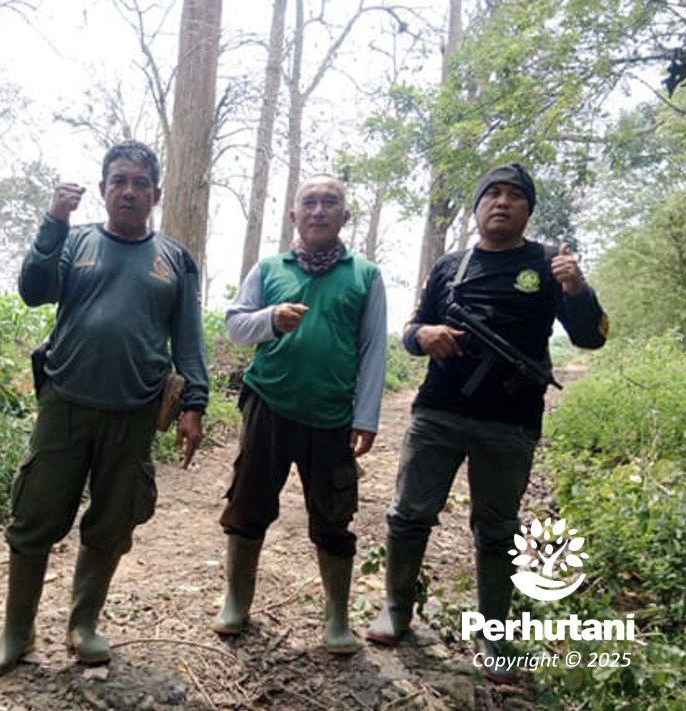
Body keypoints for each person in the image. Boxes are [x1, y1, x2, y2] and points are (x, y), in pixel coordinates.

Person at [0, 140, 209, 678]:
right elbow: (33, 290)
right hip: (66, 404)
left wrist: (194, 404)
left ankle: (83, 626)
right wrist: (53, 222)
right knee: (34, 517)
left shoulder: (175, 260)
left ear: (156, 194)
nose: (129, 191)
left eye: (140, 183)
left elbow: (189, 341)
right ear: (103, 189)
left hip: (135, 410)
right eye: (119, 181)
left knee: (113, 520)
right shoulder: (75, 241)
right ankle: (16, 633)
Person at [365, 163, 608, 682]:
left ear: (528, 210)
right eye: (492, 194)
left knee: (498, 531)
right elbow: (411, 329)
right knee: (408, 515)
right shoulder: (450, 266)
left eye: (514, 196)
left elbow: (591, 338)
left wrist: (577, 288)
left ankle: (494, 635)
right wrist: (423, 335)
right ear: (478, 207)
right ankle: (397, 609)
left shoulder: (549, 264)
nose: (502, 202)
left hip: (511, 421)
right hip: (438, 411)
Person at [212, 175, 387, 654]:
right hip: (268, 404)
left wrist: (366, 416)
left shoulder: (365, 275)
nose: (319, 210)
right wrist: (271, 319)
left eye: (330, 202)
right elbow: (235, 325)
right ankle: (236, 602)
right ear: (294, 215)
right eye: (309, 202)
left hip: (332, 414)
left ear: (345, 216)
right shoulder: (270, 268)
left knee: (333, 514)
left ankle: (337, 619)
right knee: (248, 502)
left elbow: (373, 349)